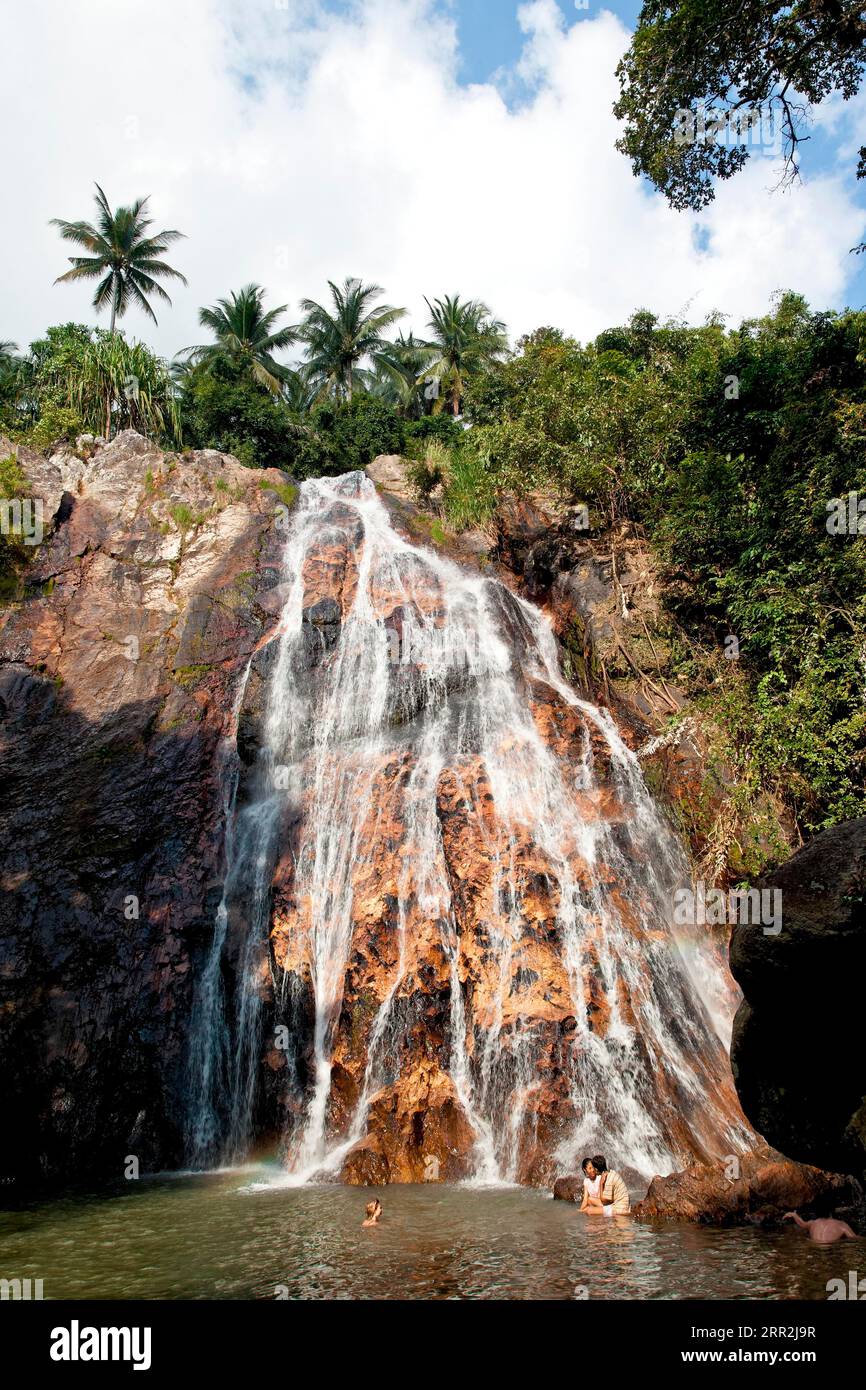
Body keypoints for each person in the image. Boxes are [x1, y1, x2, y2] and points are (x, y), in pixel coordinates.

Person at [784, 1211, 856, 1243]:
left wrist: (794, 1215)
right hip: (831, 1248)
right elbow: (854, 1238)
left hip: (814, 1245)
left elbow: (802, 1224)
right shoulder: (841, 1224)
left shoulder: (813, 1223)